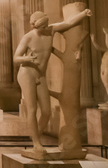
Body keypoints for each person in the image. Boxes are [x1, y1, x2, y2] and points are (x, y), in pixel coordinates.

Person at [13, 8, 92, 156]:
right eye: (42, 27)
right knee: (32, 109)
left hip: (40, 75)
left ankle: (35, 136)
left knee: (46, 111)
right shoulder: (28, 37)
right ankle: (37, 142)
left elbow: (68, 23)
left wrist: (83, 14)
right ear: (35, 26)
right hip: (27, 73)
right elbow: (16, 58)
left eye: (46, 26)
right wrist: (27, 59)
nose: (45, 29)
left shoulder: (51, 30)